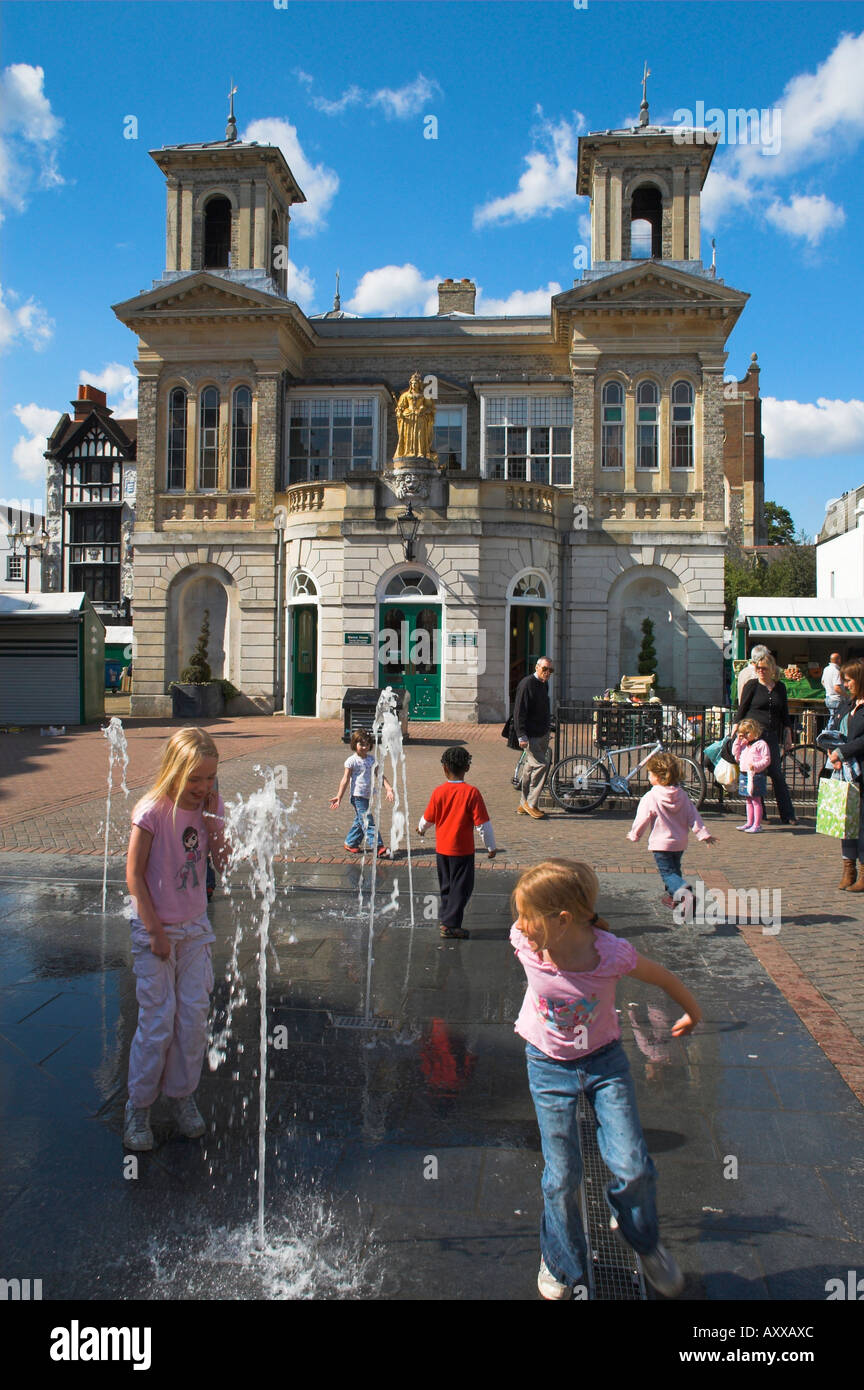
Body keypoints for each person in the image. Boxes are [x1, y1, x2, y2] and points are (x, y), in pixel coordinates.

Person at [510, 859, 701, 1300]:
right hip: (546, 1064)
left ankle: (642, 1238)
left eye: (527, 915)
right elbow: (527, 937)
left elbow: (663, 977)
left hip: (604, 1063)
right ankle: (559, 1259)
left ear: (562, 920)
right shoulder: (524, 941)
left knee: (632, 1165)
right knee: (561, 1175)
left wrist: (693, 1011)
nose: (518, 924)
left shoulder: (611, 952)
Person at [123, 727, 229, 1152]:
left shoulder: (207, 807)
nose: (203, 787)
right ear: (175, 771)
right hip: (156, 930)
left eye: (210, 779)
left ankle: (182, 1097)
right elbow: (134, 875)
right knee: (156, 1022)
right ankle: (139, 1106)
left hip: (195, 928)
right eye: (196, 779)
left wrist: (215, 817)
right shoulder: (151, 811)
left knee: (193, 1019)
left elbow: (221, 860)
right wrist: (154, 933)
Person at [418, 746, 496, 939]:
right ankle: (450, 925)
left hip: (442, 850)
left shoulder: (439, 792)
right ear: (467, 768)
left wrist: (421, 829)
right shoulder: (472, 793)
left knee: (446, 886)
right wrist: (490, 847)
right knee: (462, 888)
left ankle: (446, 918)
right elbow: (483, 825)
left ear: (444, 768)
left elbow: (428, 818)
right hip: (462, 851)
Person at [627, 751, 716, 912]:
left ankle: (683, 893)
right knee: (675, 870)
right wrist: (703, 834)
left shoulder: (651, 796)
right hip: (680, 843)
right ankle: (675, 897)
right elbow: (693, 816)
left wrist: (635, 835)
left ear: (660, 777)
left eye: (650, 774)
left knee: (667, 873)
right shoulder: (682, 795)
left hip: (661, 844)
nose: (649, 777)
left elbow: (642, 818)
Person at [733, 652, 797, 824]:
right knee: (755, 773)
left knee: (776, 773)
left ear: (771, 669)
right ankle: (759, 815)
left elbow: (784, 712)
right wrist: (735, 728)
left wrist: (788, 733)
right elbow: (742, 708)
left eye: (764, 668)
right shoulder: (752, 685)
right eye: (758, 667)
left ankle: (788, 814)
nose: (760, 671)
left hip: (771, 735)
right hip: (753, 736)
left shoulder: (780, 687)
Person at [827, 658, 864, 892]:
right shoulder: (848, 705)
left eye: (849, 680)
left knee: (862, 824)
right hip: (844, 772)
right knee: (844, 822)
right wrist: (831, 748)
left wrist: (843, 751)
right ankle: (848, 869)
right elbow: (837, 730)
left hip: (860, 770)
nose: (845, 684)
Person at [330, 730, 394, 857]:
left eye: (367, 744)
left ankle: (350, 842)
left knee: (360, 821)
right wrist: (339, 796)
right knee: (367, 821)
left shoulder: (371, 760)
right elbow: (345, 779)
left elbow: (379, 775)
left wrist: (388, 788)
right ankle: (378, 847)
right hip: (357, 796)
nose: (364, 747)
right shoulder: (351, 761)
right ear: (354, 744)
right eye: (361, 744)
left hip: (367, 795)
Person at [513, 655, 553, 819]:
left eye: (550, 670)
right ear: (536, 667)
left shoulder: (544, 684)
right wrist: (521, 735)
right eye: (544, 669)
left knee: (530, 768)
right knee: (541, 766)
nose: (547, 673)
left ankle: (524, 803)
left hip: (542, 732)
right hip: (530, 735)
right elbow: (519, 711)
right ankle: (531, 803)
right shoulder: (527, 684)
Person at [732, 719, 771, 833]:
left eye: (748, 733)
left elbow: (767, 759)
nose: (745, 736)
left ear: (756, 732)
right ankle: (749, 822)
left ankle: (757, 824)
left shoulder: (761, 744)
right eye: (743, 734)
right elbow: (735, 754)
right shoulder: (744, 745)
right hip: (744, 774)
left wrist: (756, 766)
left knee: (756, 800)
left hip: (756, 775)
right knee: (748, 799)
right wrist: (737, 741)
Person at [822, 651, 846, 731]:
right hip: (836, 699)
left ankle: (828, 735)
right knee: (834, 719)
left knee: (833, 718)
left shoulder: (826, 669)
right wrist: (846, 695)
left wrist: (828, 689)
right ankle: (826, 736)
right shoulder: (837, 672)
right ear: (838, 660)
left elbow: (823, 682)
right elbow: (837, 688)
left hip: (828, 697)